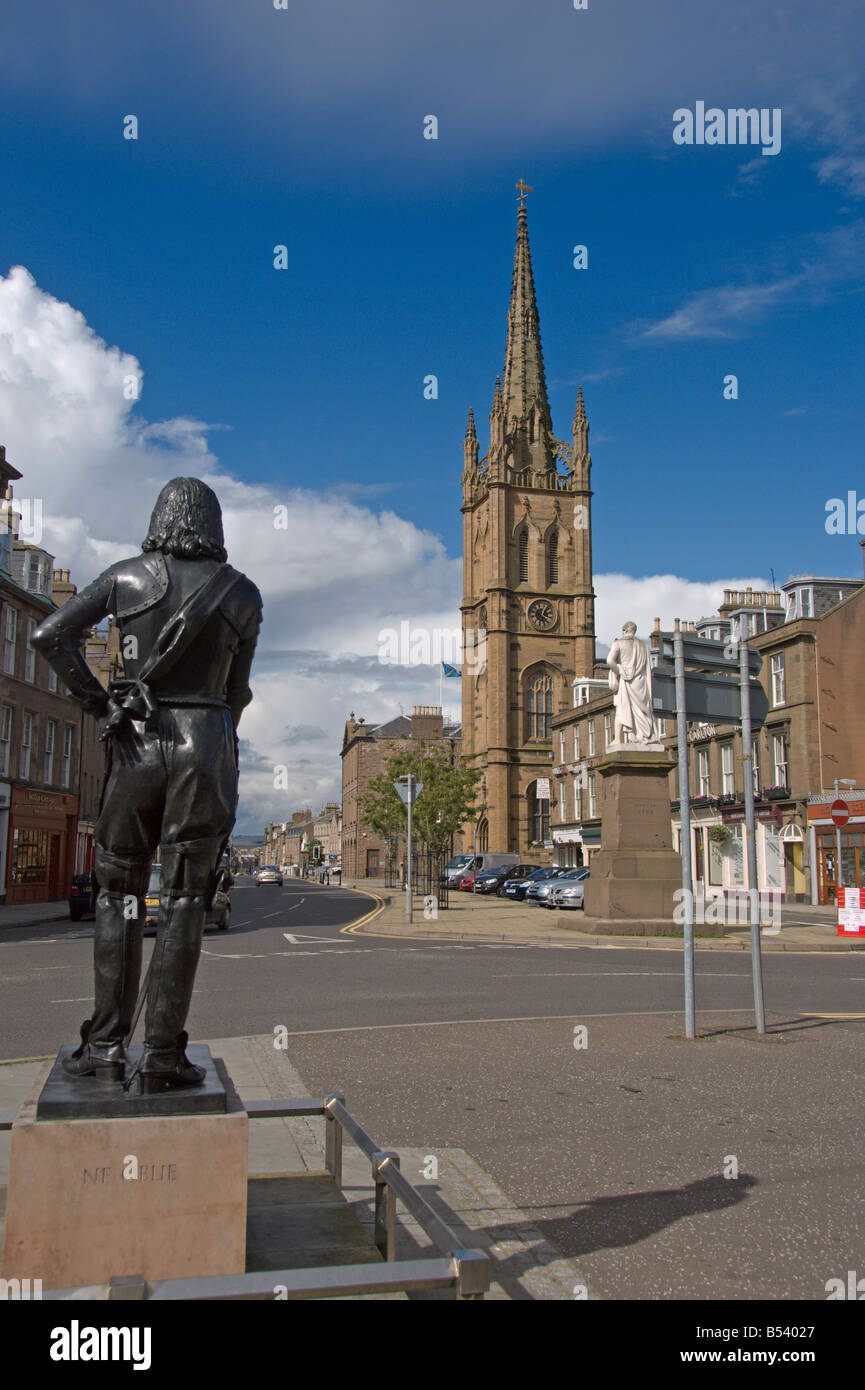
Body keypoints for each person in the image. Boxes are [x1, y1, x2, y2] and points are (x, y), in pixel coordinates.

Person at [33, 478, 262, 1093]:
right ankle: (162, 1055)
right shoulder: (242, 592)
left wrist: (100, 704)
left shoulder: (125, 577)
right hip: (204, 740)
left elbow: (49, 636)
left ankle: (106, 1046)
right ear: (213, 524)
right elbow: (237, 693)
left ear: (160, 517)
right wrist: (215, 746)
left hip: (136, 739)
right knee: (186, 899)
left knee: (118, 893)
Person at [606, 621, 660, 746]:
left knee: (621, 708)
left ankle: (618, 739)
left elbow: (610, 661)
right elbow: (650, 667)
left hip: (626, 681)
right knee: (642, 710)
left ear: (624, 630)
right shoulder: (644, 646)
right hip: (641, 682)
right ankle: (640, 735)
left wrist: (620, 670)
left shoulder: (618, 643)